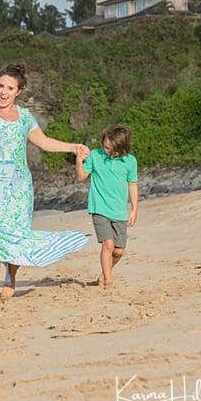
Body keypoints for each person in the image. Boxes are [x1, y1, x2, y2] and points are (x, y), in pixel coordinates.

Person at [0, 63, 89, 307]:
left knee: (17, 236)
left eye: (10, 88)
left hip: (18, 187)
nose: (3, 92)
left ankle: (10, 278)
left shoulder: (24, 117)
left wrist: (72, 147)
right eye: (1, 86)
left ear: (18, 92)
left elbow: (44, 142)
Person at [75, 124, 138, 289]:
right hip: (99, 208)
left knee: (118, 251)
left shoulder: (130, 161)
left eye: (109, 148)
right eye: (104, 146)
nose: (105, 150)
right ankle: (108, 282)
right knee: (108, 245)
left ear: (120, 147)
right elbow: (81, 176)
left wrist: (134, 209)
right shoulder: (96, 156)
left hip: (119, 211)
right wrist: (79, 160)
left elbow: (132, 185)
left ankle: (103, 275)